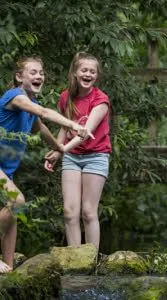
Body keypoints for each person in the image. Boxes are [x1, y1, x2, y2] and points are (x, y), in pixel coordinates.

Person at [0, 56, 92, 273]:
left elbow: (40, 128)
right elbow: (42, 113)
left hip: (6, 170)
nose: (39, 76)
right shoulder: (15, 97)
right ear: (19, 77)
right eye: (33, 72)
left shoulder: (31, 107)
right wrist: (73, 125)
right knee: (17, 201)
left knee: (12, 217)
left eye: (41, 73)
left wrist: (58, 148)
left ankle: (9, 269)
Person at [44, 52, 111, 250]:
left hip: (96, 156)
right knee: (69, 211)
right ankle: (75, 259)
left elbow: (85, 132)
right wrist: (58, 150)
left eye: (92, 71)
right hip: (72, 157)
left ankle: (91, 262)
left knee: (89, 212)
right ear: (75, 73)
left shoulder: (101, 99)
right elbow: (65, 128)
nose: (88, 74)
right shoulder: (66, 97)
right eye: (84, 70)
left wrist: (61, 150)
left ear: (97, 76)